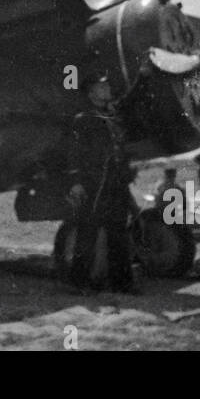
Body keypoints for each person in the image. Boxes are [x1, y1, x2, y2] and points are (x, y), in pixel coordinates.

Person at [64, 70, 136, 293]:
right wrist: (76, 182)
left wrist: (141, 76)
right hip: (94, 186)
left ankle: (121, 284)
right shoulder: (83, 120)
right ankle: (79, 285)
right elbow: (73, 153)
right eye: (103, 87)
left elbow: (130, 99)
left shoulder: (113, 118)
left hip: (116, 185)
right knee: (87, 235)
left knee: (119, 236)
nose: (109, 89)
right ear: (92, 93)